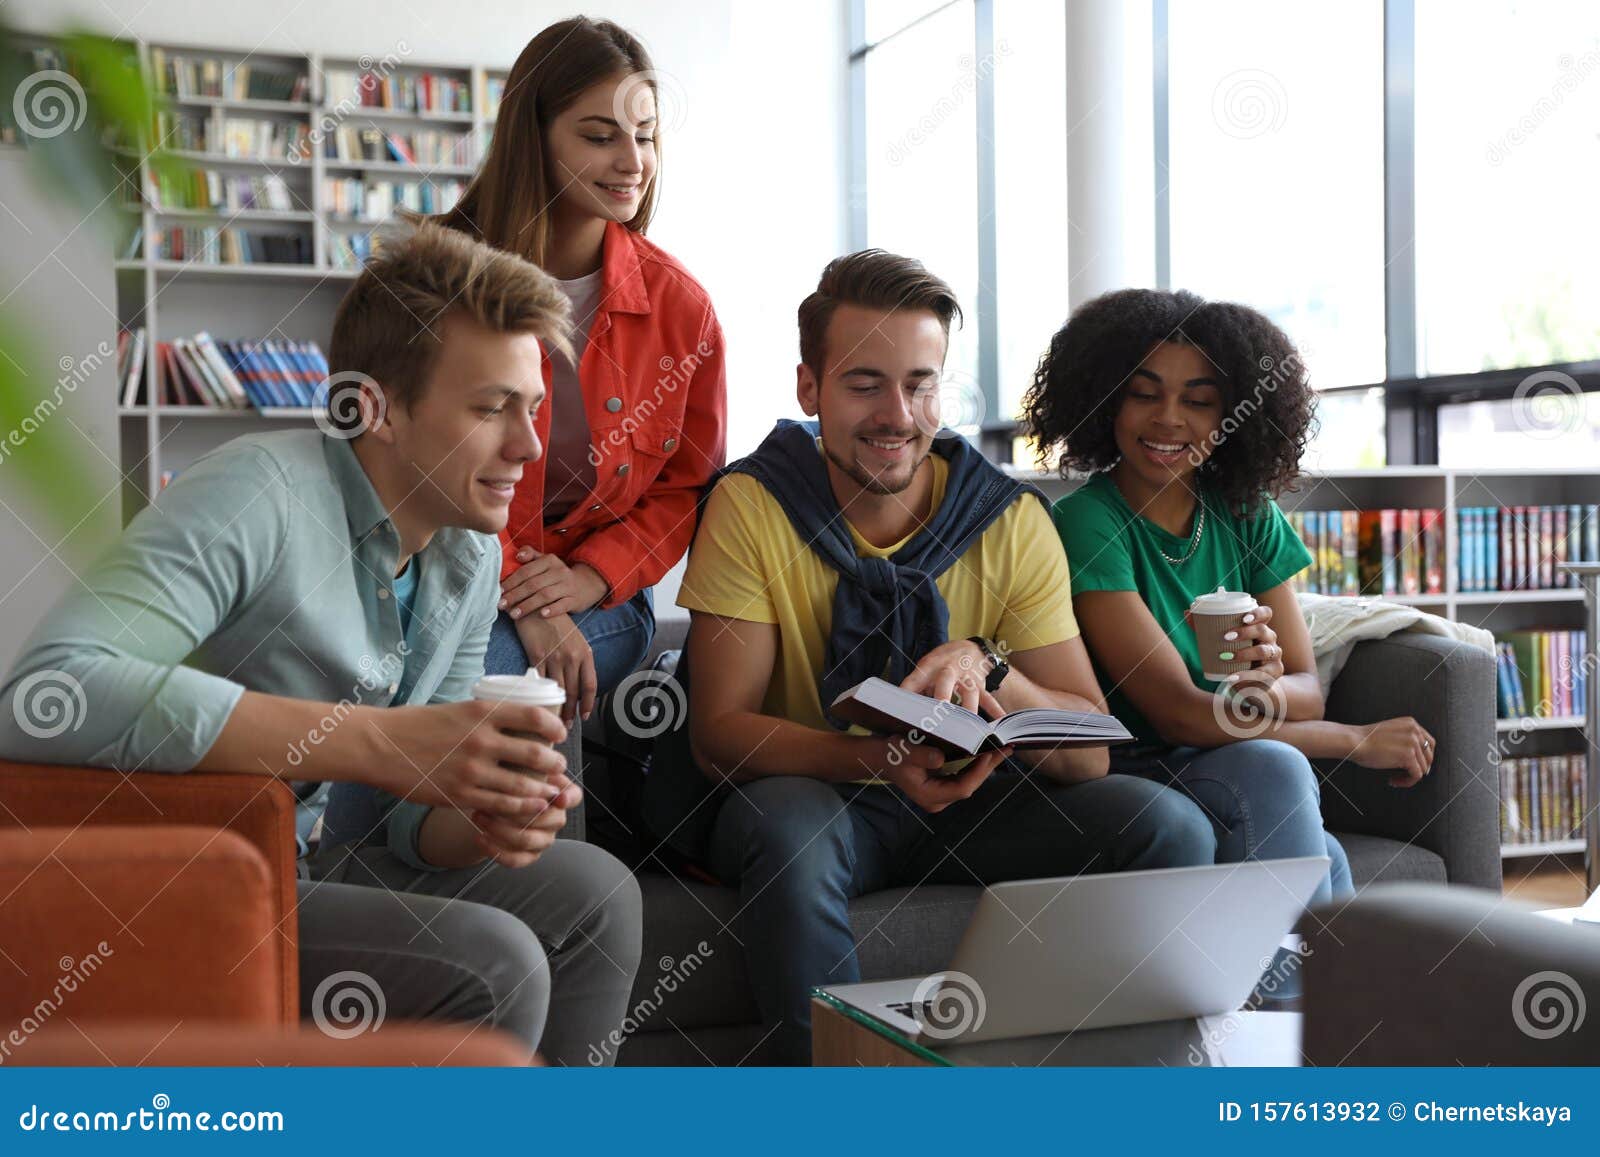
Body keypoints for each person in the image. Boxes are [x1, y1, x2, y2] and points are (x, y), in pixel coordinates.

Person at [0, 220, 641, 1064]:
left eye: (531, 408)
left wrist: (482, 813)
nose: (526, 445)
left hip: (307, 859)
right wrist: (383, 742)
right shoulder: (256, 490)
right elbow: (46, 695)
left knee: (598, 892)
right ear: (378, 411)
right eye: (490, 409)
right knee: (495, 962)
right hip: (179, 880)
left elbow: (418, 826)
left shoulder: (468, 553)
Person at [643, 251, 1217, 1064]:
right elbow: (720, 733)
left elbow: (1089, 754)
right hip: (825, 792)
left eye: (920, 383)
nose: (897, 414)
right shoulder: (753, 503)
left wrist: (988, 663)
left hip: (980, 799)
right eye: (863, 383)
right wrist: (877, 757)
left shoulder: (1008, 520)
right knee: (791, 839)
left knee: (1169, 826)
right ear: (809, 390)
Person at [1027, 288, 1438, 907]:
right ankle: (1320, 999)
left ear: (1232, 417)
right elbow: (1177, 717)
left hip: (1226, 757)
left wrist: (1264, 686)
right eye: (1143, 394)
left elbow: (1306, 688)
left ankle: (1326, 998)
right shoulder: (1090, 523)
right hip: (1138, 768)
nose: (1169, 419)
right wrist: (1352, 740)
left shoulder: (1247, 513)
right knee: (1277, 773)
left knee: (1315, 848)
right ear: (1106, 402)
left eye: (1199, 401)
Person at [437, 16, 726, 724]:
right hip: (442, 578)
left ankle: (372, 838)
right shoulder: (437, 280)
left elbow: (688, 488)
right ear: (532, 137)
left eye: (646, 134)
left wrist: (586, 580)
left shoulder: (682, 309)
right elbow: (412, 459)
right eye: (599, 136)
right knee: (447, 665)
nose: (632, 160)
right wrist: (521, 594)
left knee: (481, 680)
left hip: (603, 595)